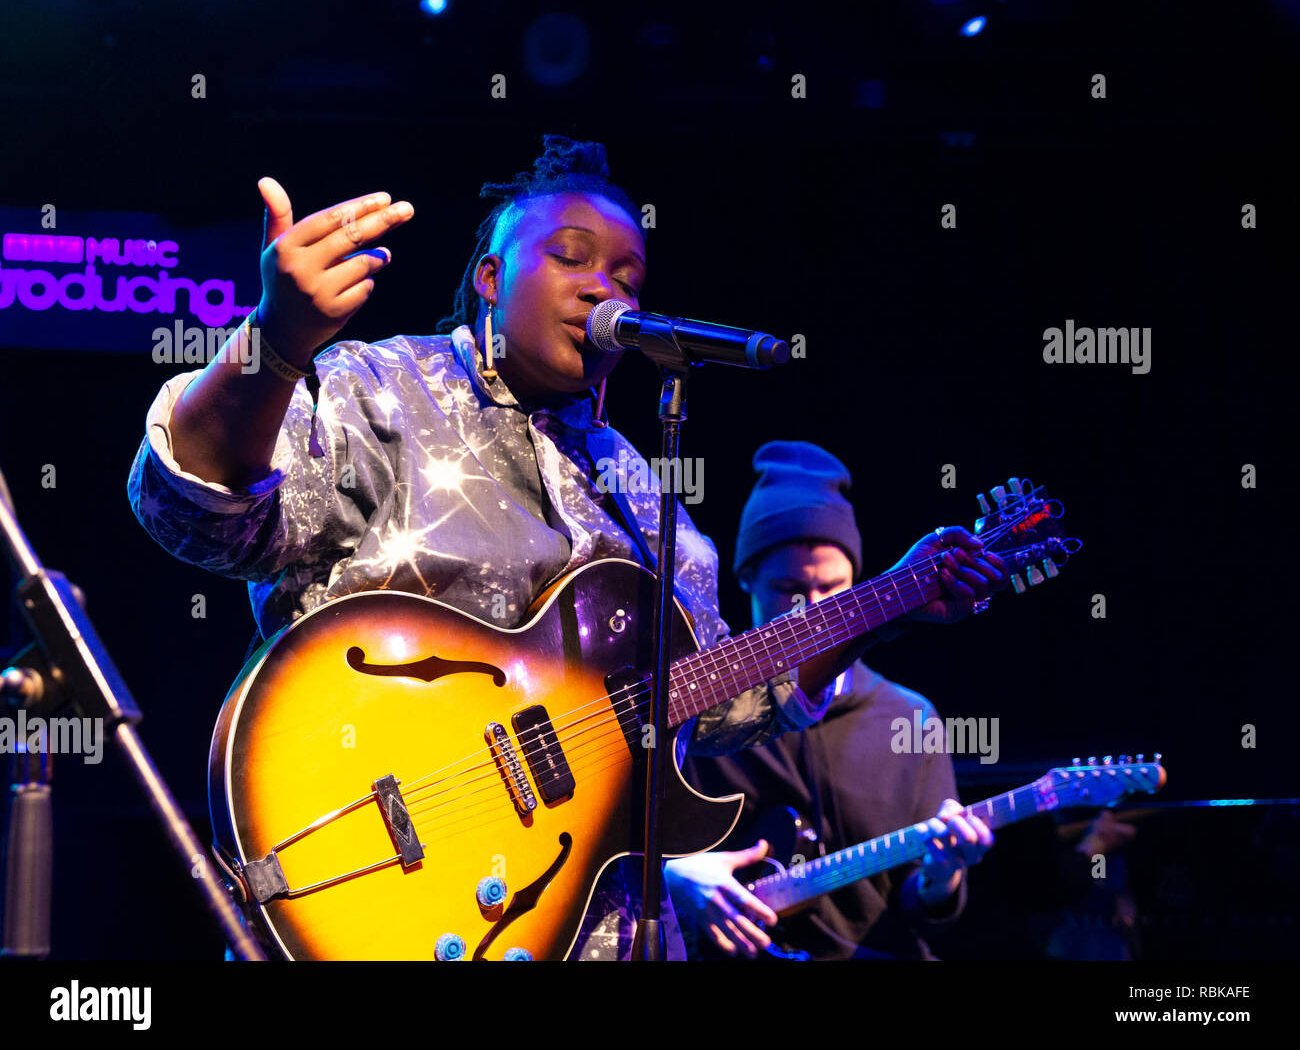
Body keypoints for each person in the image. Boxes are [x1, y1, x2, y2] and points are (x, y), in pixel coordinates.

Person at [125, 136, 1006, 960]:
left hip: (577, 924)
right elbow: (201, 516)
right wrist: (276, 343)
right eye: (572, 257)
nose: (604, 289)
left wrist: (887, 602)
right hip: (372, 861)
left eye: (628, 274)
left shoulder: (644, 494)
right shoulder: (384, 390)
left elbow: (729, 708)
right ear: (489, 277)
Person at [666, 442, 994, 960]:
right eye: (789, 589)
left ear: (858, 585)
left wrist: (943, 876)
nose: (812, 611)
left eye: (832, 588)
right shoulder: (699, 708)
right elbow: (620, 849)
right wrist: (674, 879)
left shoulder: (910, 719)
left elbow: (921, 910)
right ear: (746, 580)